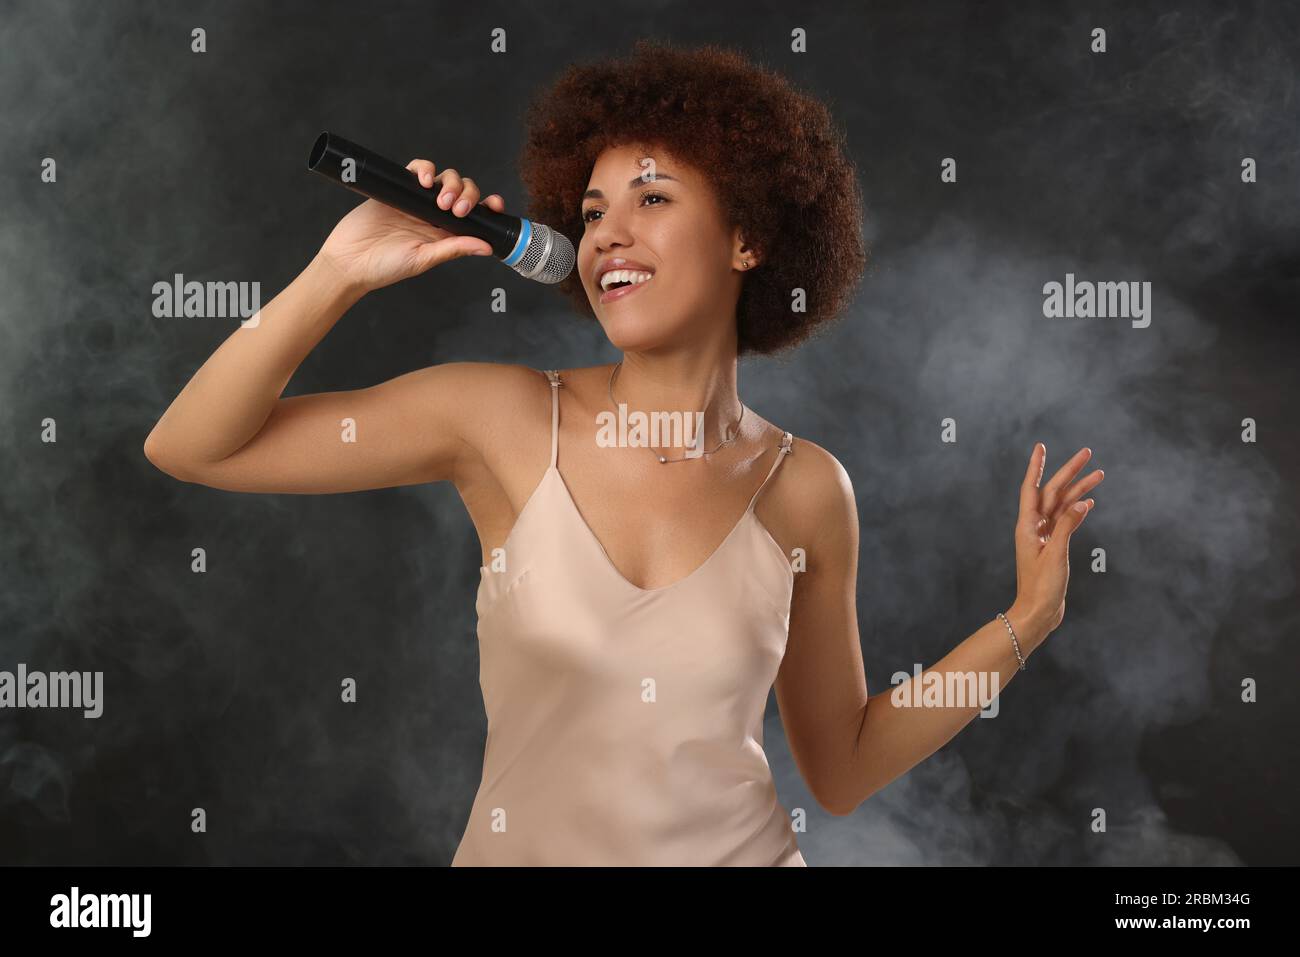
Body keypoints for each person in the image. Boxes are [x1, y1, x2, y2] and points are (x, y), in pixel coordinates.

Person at [143, 40, 1103, 866]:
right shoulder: (499, 419)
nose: (608, 236)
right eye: (593, 211)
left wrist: (1027, 617)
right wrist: (338, 273)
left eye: (651, 197)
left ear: (748, 238)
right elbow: (193, 446)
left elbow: (842, 768)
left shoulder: (807, 488)